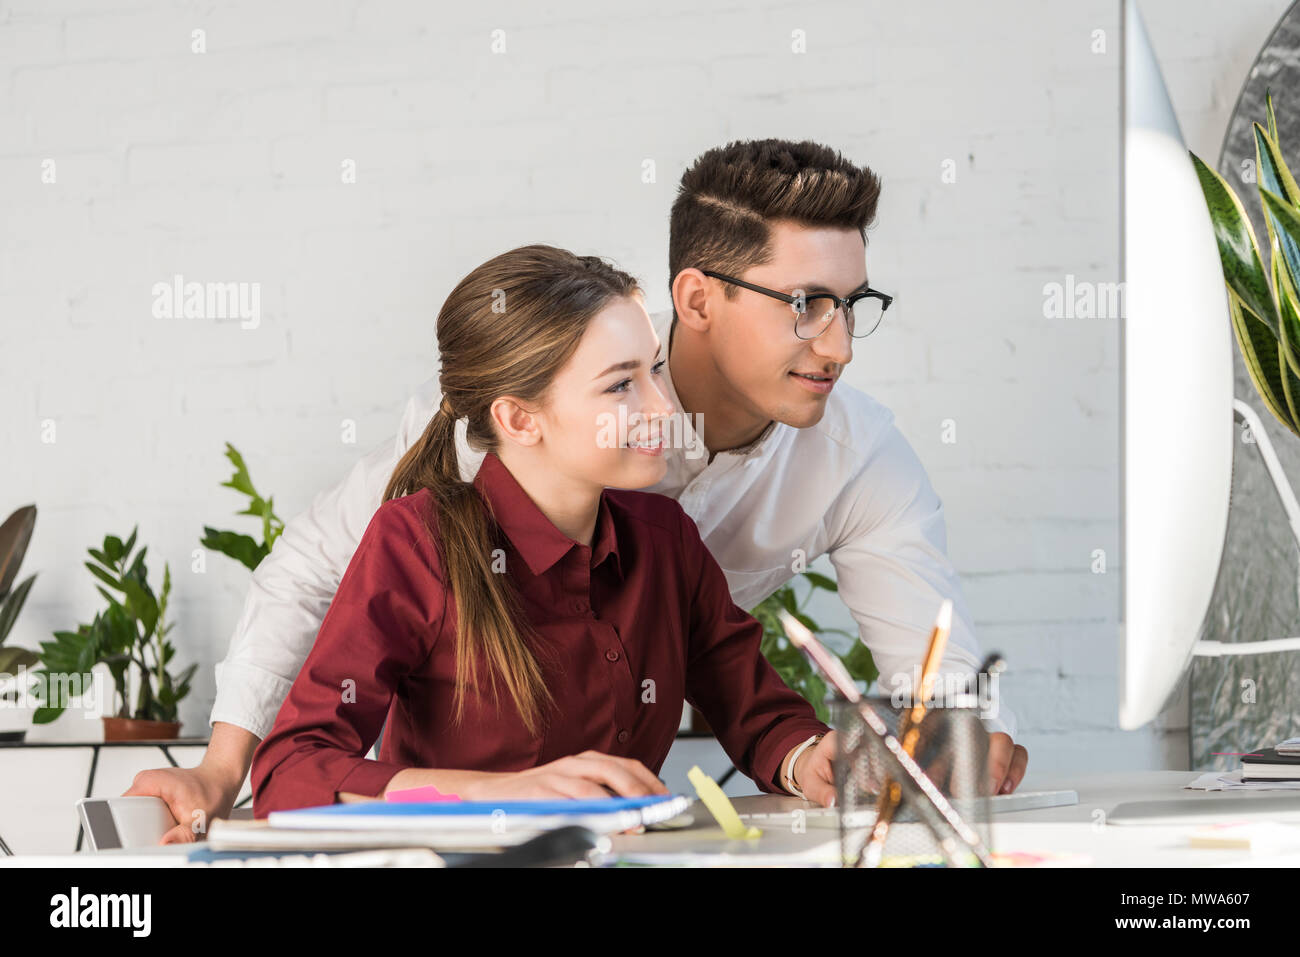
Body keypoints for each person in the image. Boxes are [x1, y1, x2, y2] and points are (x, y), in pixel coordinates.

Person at [129, 138, 1027, 842]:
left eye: (851, 305)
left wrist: (822, 759)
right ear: (518, 418)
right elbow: (300, 737)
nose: (839, 346)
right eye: (805, 304)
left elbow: (764, 701)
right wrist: (219, 769)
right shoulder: (428, 528)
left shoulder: (671, 530)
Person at [251, 244, 835, 814]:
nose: (664, 408)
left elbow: (759, 716)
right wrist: (494, 792)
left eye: (653, 369)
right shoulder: (417, 544)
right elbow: (292, 769)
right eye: (620, 385)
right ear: (519, 419)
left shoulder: (665, 540)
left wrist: (810, 759)